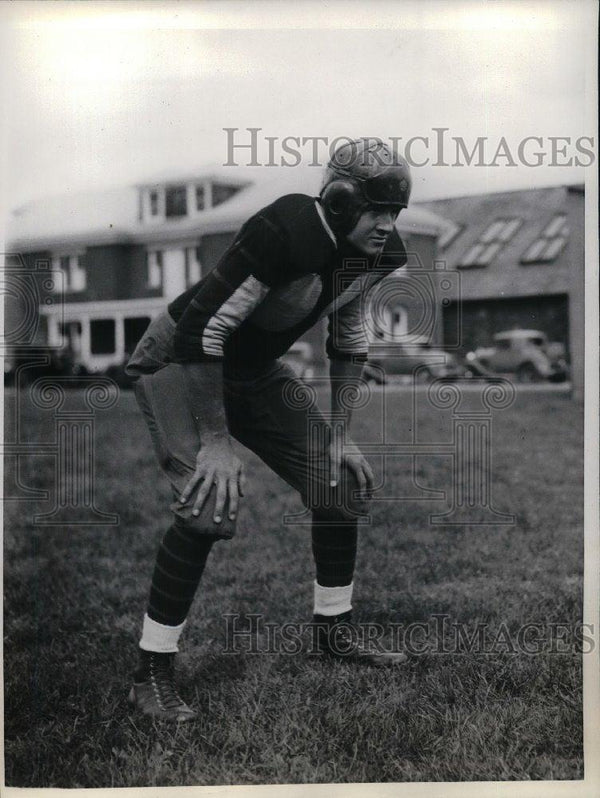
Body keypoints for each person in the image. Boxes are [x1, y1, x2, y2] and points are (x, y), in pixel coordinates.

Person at [125, 139, 412, 721]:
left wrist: (338, 434)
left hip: (251, 369)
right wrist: (215, 440)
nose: (387, 224)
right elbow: (201, 331)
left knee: (340, 484)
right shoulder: (285, 229)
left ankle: (333, 632)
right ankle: (151, 669)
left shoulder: (371, 254)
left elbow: (350, 336)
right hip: (179, 358)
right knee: (208, 504)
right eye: (377, 209)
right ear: (338, 200)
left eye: (396, 212)